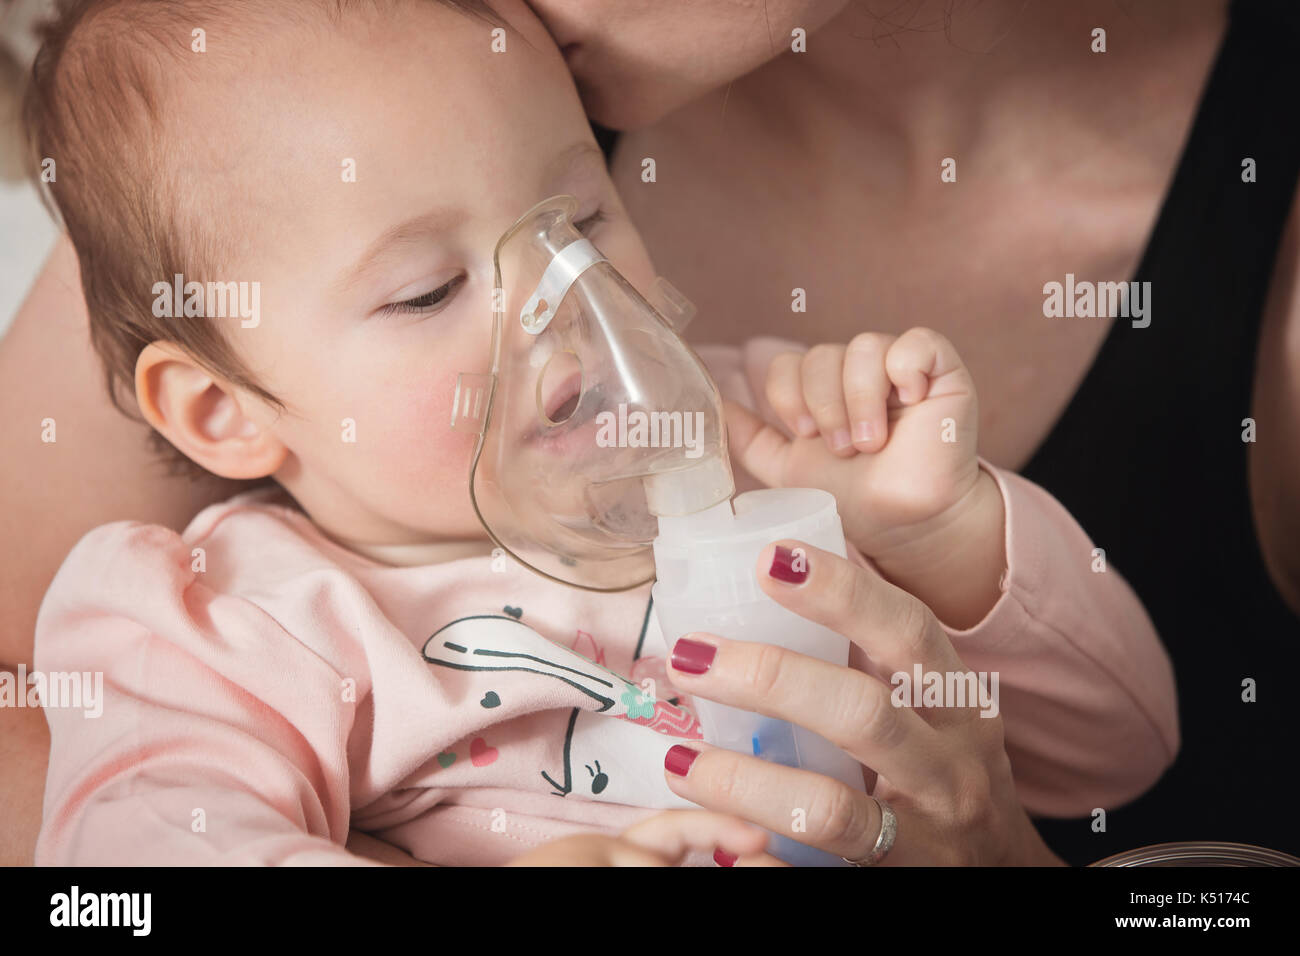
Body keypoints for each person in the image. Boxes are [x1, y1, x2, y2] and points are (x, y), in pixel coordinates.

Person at [15, 0, 1171, 866]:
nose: (564, 315)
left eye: (578, 222)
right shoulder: (222, 619)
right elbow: (134, 856)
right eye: (427, 292)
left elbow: (1116, 754)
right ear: (221, 409)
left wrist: (945, 537)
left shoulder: (765, 446)